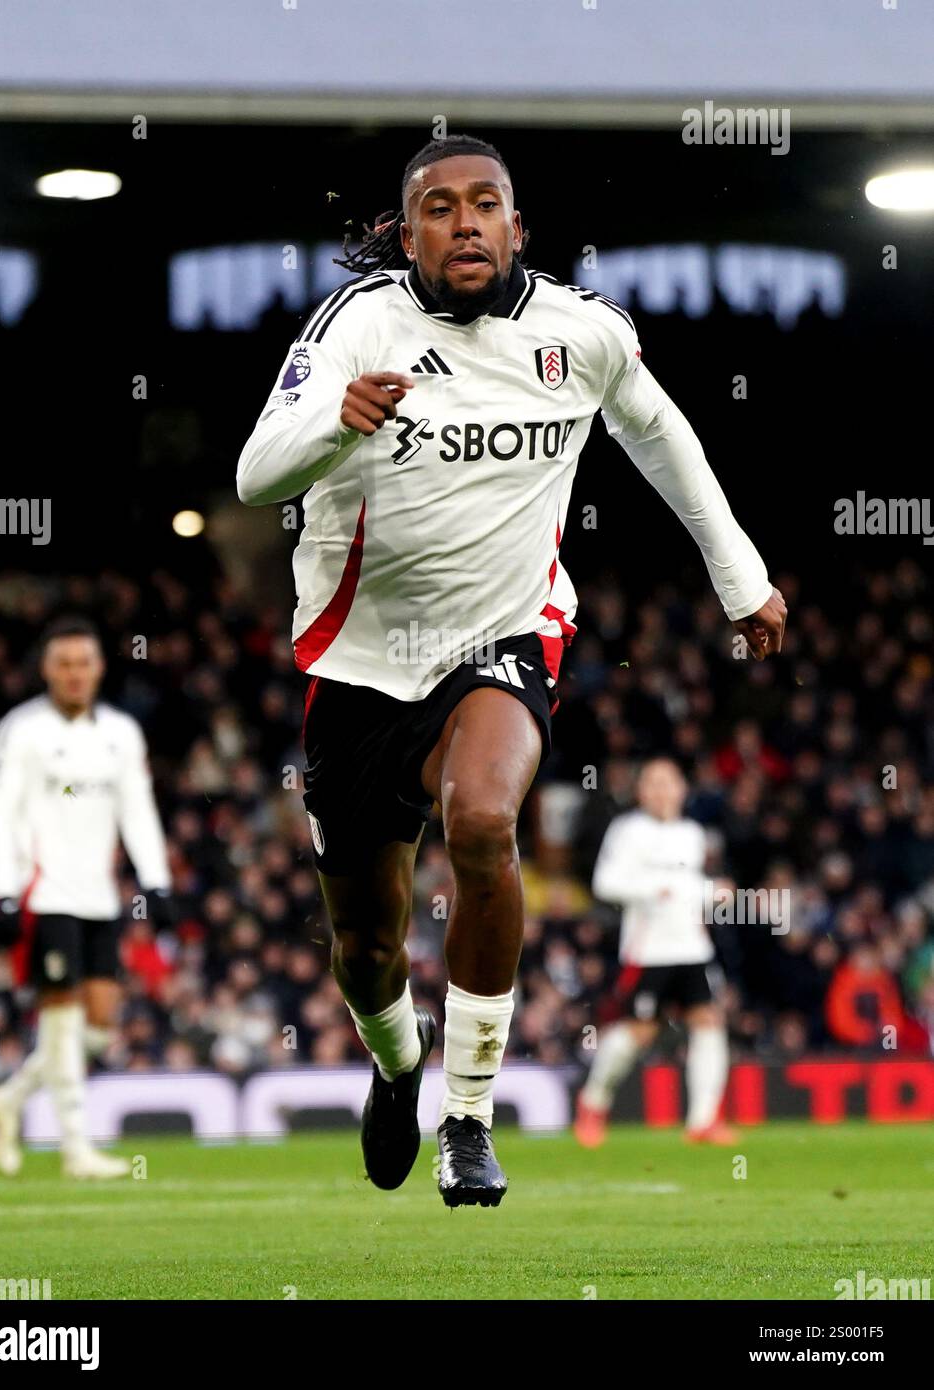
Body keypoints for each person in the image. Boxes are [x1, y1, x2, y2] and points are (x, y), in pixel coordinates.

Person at [237, 133, 786, 1206]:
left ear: (517, 226)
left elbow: (663, 437)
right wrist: (332, 426)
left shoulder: (578, 333)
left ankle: (468, 1114)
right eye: (437, 209)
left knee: (483, 822)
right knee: (364, 943)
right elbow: (259, 474)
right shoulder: (360, 325)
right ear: (407, 236)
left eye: (484, 204)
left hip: (503, 634)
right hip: (356, 663)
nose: (464, 223)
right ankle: (397, 1066)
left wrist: (741, 579)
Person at [0, 616, 175, 1178]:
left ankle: (10, 1097)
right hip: (44, 894)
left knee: (98, 1025)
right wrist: (5, 894)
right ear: (46, 669)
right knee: (61, 1021)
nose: (74, 673)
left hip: (99, 896)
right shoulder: (20, 731)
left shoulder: (120, 733)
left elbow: (137, 811)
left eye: (83, 663)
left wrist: (155, 879)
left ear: (98, 669)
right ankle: (75, 1148)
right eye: (63, 663)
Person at [575, 759, 736, 1145]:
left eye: (669, 782)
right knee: (640, 1031)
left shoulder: (693, 833)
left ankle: (703, 1120)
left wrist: (715, 893)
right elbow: (605, 883)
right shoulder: (628, 830)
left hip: (692, 947)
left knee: (709, 1022)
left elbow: (689, 886)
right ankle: (593, 1101)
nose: (661, 791)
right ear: (641, 791)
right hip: (649, 951)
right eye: (653, 783)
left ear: (682, 788)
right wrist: (653, 889)